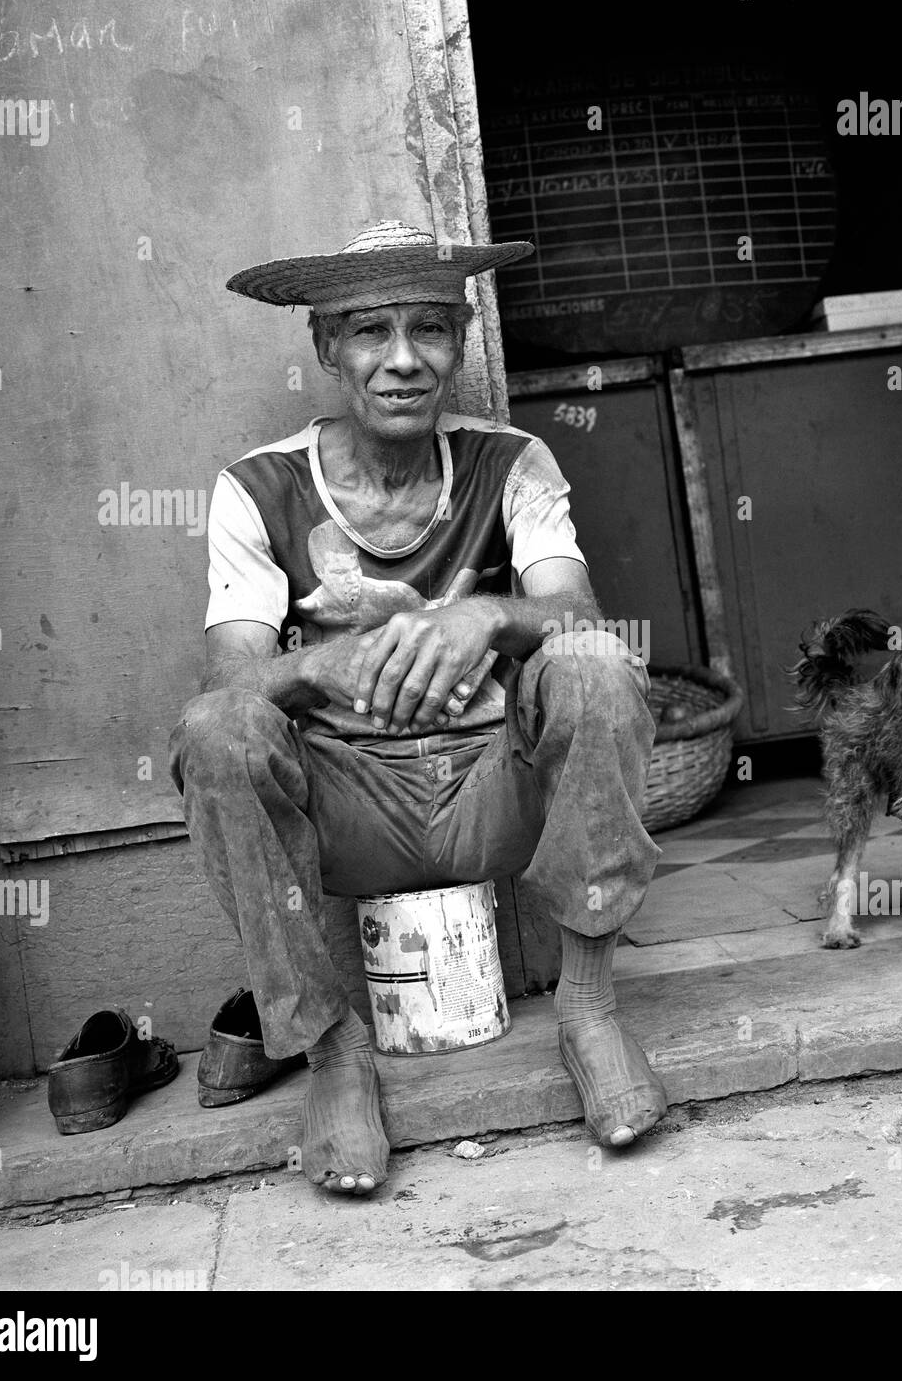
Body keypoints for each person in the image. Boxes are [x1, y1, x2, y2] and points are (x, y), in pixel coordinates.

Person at [168, 221, 667, 1196]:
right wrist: (327, 664)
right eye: (368, 330)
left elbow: (576, 613)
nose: (402, 360)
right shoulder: (256, 487)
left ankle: (589, 1008)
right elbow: (227, 687)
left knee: (597, 666)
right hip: (350, 810)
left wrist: (484, 614)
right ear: (325, 346)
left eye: (431, 329)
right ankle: (331, 1052)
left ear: (462, 340)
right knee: (214, 734)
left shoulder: (512, 461)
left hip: (495, 791)